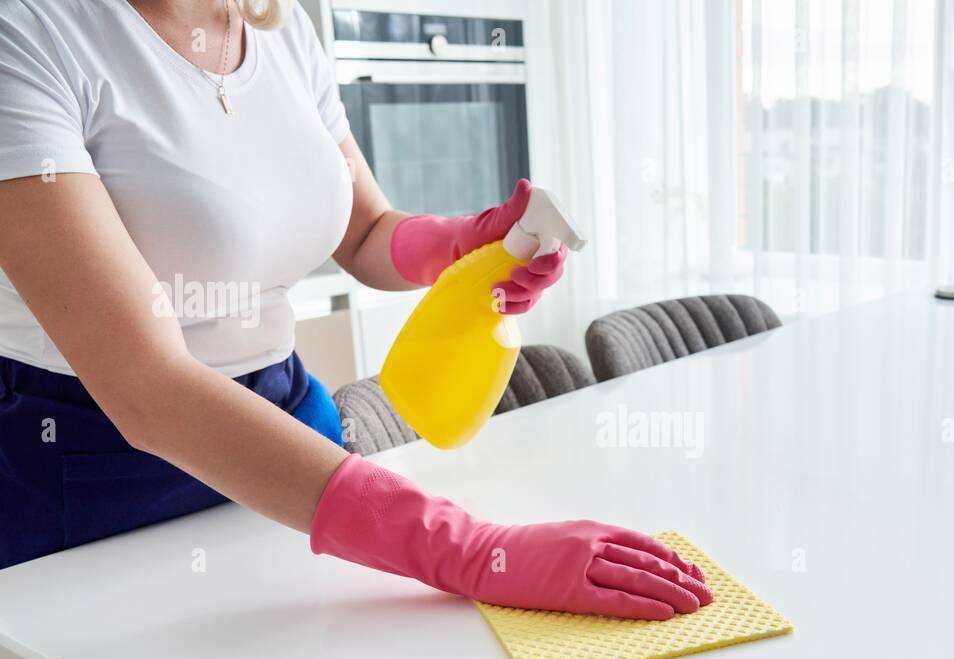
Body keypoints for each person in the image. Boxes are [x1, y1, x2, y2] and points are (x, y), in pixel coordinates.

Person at [0, 0, 711, 620]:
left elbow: (365, 231)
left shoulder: (278, 31)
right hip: (91, 473)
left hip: (290, 434)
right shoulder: (28, 33)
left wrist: (467, 245)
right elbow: (146, 388)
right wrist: (473, 549)